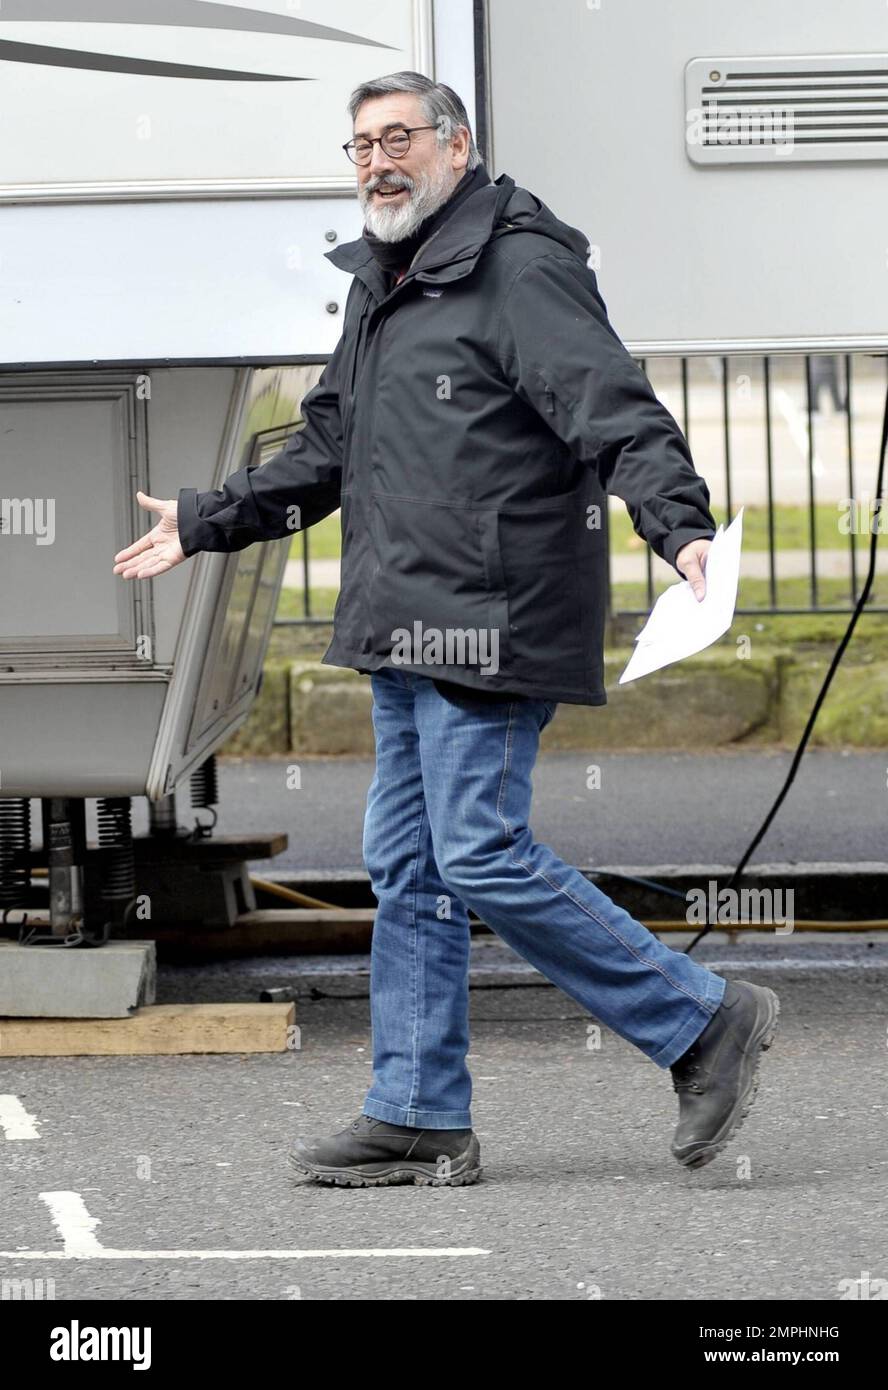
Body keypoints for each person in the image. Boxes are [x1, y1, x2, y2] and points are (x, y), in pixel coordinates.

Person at [113, 70, 779, 1187]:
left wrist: (681, 529)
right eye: (360, 144)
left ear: (456, 148)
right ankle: (418, 1109)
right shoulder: (386, 278)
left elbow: (613, 407)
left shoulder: (520, 264)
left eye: (399, 138)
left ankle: (701, 1019)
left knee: (476, 849)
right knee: (409, 866)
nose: (377, 160)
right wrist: (207, 517)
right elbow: (327, 444)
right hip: (401, 614)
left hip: (491, 611)